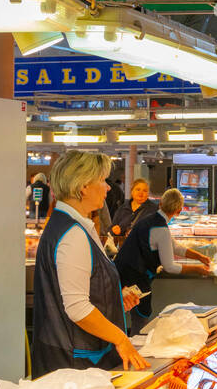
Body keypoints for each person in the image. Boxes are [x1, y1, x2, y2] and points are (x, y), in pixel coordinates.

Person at [31, 151, 147, 376]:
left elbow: (76, 288)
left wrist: (113, 298)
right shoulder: (72, 234)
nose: (108, 188)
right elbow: (77, 308)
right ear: (83, 186)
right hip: (75, 366)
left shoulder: (71, 225)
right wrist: (121, 339)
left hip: (75, 360)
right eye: (102, 181)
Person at [115, 187, 211, 333]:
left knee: (118, 317)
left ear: (160, 204)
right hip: (135, 279)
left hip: (120, 274)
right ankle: (134, 349)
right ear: (178, 211)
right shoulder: (161, 229)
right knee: (139, 321)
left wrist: (199, 257)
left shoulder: (150, 220)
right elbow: (169, 267)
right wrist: (197, 269)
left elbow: (174, 247)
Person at [110, 177, 159, 244]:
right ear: (132, 191)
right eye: (138, 189)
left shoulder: (154, 209)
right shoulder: (122, 208)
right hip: (124, 247)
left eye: (145, 191)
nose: (141, 193)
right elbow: (111, 230)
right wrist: (114, 231)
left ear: (148, 194)